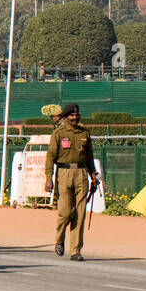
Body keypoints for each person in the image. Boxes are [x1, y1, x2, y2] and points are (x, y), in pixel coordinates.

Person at [43, 103, 97, 261]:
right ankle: (59, 239)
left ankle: (75, 250)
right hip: (64, 173)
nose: (75, 117)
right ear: (66, 118)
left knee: (80, 214)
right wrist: (48, 178)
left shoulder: (85, 133)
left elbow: (89, 157)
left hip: (81, 173)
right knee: (65, 212)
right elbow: (50, 156)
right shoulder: (58, 133)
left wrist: (93, 175)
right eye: (71, 115)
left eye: (77, 115)